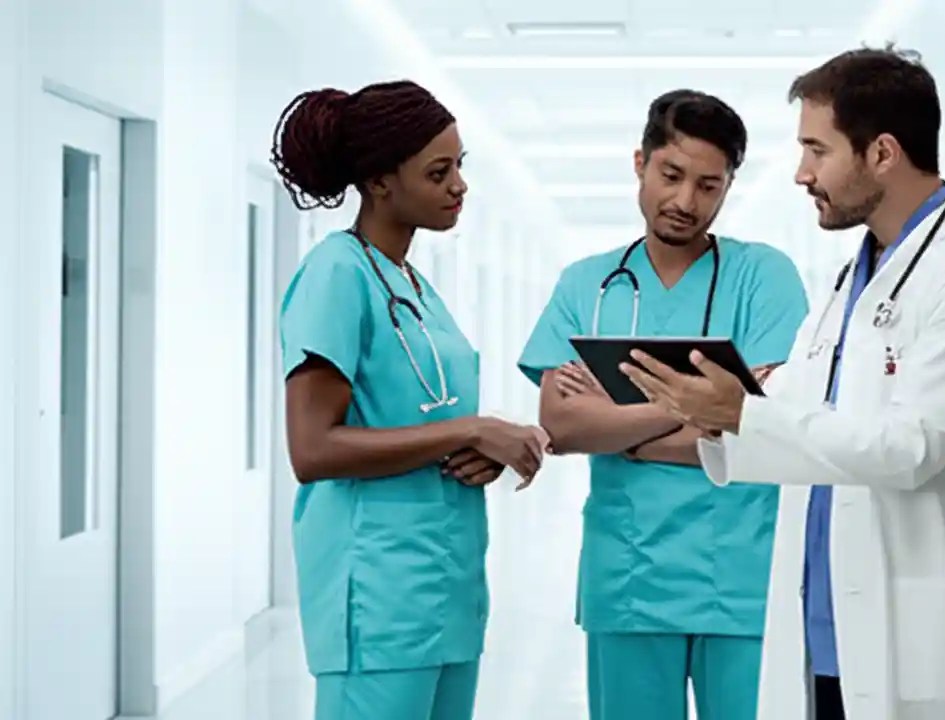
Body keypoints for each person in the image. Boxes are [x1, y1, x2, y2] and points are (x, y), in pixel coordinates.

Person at [621, 48, 945, 720]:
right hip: (830, 629)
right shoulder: (852, 281)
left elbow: (911, 446)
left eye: (817, 149)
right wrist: (719, 414)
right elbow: (795, 412)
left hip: (918, 630)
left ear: (882, 153)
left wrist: (745, 415)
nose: (801, 172)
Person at [517, 89, 809, 720]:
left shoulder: (765, 278)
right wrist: (698, 406)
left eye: (709, 185)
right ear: (639, 163)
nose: (685, 201)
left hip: (740, 576)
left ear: (729, 187)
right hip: (629, 577)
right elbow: (561, 426)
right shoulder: (586, 285)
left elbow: (764, 429)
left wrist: (618, 423)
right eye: (670, 175)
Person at [271, 80, 549, 720]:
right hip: (378, 598)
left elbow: (433, 420)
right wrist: (469, 431)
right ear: (379, 182)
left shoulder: (413, 285)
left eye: (460, 166)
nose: (459, 186)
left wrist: (480, 447)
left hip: (445, 590)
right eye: (438, 171)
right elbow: (312, 449)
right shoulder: (336, 273)